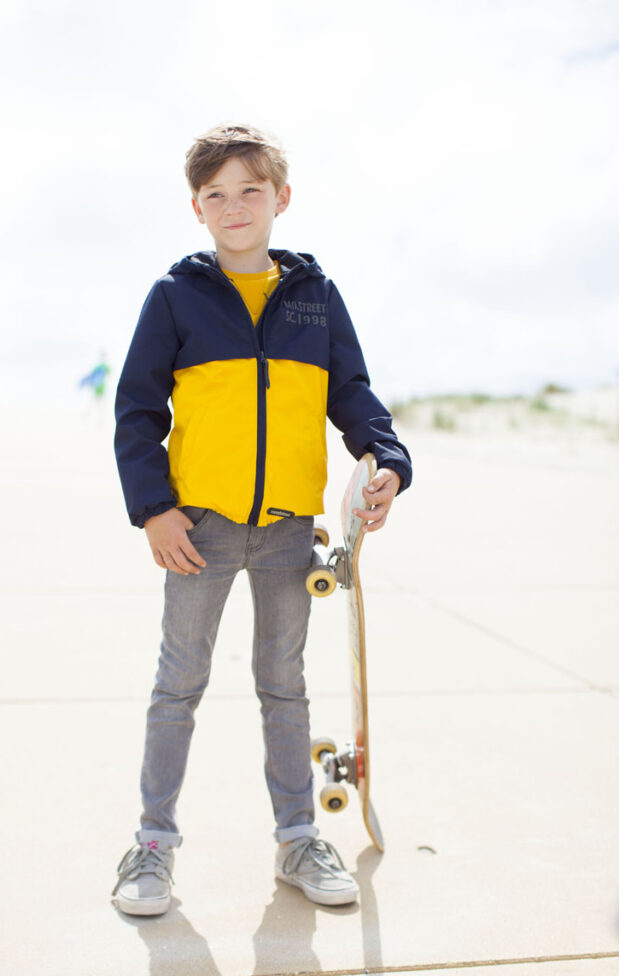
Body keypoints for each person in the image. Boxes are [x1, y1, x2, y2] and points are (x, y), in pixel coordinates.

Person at [112, 124, 412, 916]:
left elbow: (351, 393)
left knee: (283, 685)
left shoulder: (315, 295)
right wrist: (154, 511)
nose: (234, 205)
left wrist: (385, 458)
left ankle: (297, 839)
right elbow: (137, 411)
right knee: (178, 685)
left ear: (282, 197)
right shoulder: (175, 295)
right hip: (197, 528)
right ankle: (151, 846)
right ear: (196, 207)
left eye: (251, 189)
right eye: (216, 194)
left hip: (286, 527)